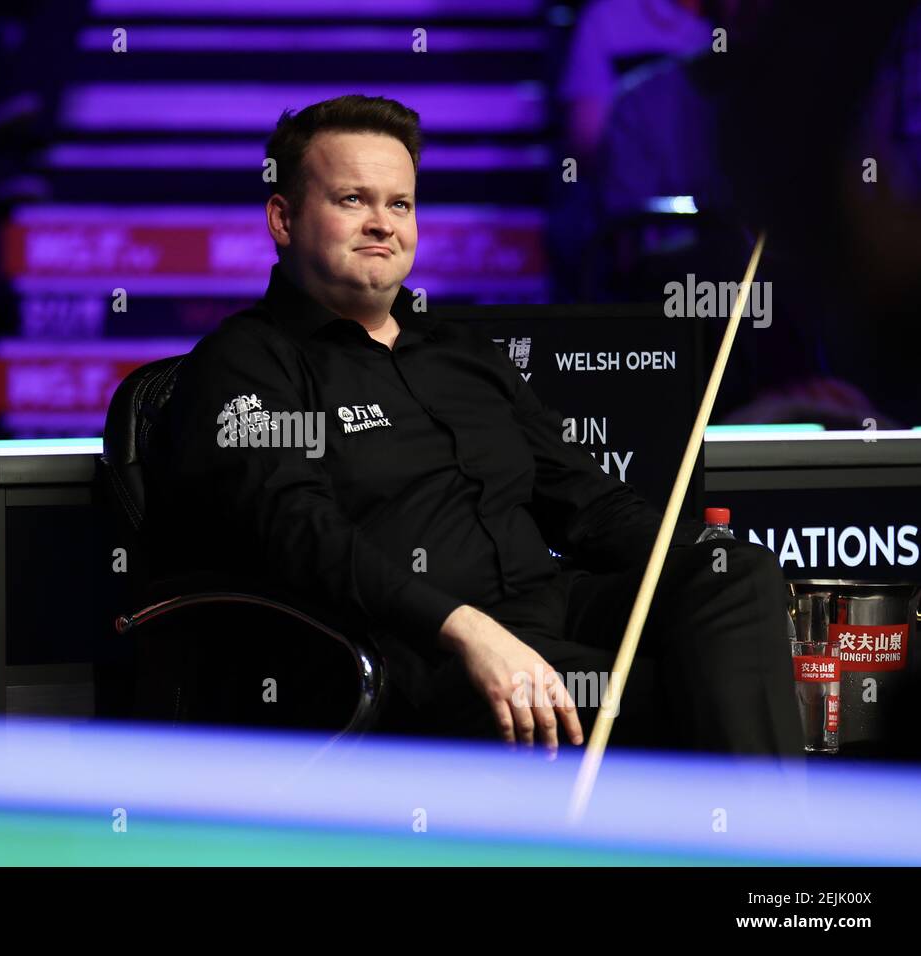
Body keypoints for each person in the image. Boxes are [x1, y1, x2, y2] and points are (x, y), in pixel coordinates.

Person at [152, 94, 802, 757]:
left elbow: (588, 505)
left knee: (732, 577)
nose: (383, 223)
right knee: (636, 689)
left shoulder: (461, 352)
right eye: (353, 200)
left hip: (544, 608)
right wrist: (463, 628)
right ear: (283, 218)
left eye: (399, 204)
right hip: (402, 646)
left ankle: (771, 848)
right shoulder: (245, 362)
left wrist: (698, 552)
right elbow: (301, 537)